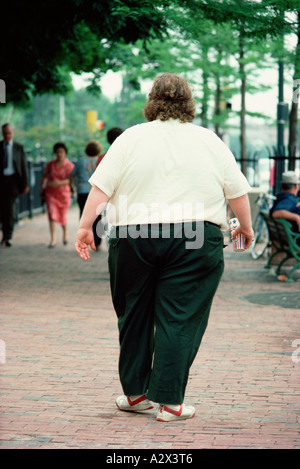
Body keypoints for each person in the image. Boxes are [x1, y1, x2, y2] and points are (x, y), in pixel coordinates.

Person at [75, 73, 253, 422]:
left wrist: (85, 227)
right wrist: (244, 228)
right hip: (196, 236)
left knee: (133, 313)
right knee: (180, 317)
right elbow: (236, 192)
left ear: (151, 100)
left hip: (133, 233)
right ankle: (171, 404)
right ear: (189, 102)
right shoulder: (209, 140)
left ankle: (136, 394)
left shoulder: (130, 138)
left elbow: (102, 187)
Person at [40, 142, 74, 248]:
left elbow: (71, 180)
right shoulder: (50, 164)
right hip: (51, 193)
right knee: (51, 214)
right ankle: (53, 239)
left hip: (63, 194)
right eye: (57, 152)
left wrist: (58, 183)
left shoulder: (70, 166)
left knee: (62, 215)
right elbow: (45, 176)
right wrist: (42, 187)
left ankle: (65, 235)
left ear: (65, 153)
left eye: (61, 152)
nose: (59, 154)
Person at [0, 123, 29, 247]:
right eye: (5, 133)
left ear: (13, 133)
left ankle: (8, 236)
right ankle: (5, 233)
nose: (7, 135)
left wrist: (25, 183)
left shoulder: (18, 147)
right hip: (1, 181)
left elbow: (24, 166)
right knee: (2, 210)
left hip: (13, 182)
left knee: (10, 209)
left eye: (9, 133)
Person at [73, 140, 103, 250]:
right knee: (98, 217)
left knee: (83, 216)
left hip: (82, 191)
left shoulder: (80, 161)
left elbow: (72, 175)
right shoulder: (100, 161)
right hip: (96, 192)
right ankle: (98, 243)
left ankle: (83, 240)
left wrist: (73, 186)